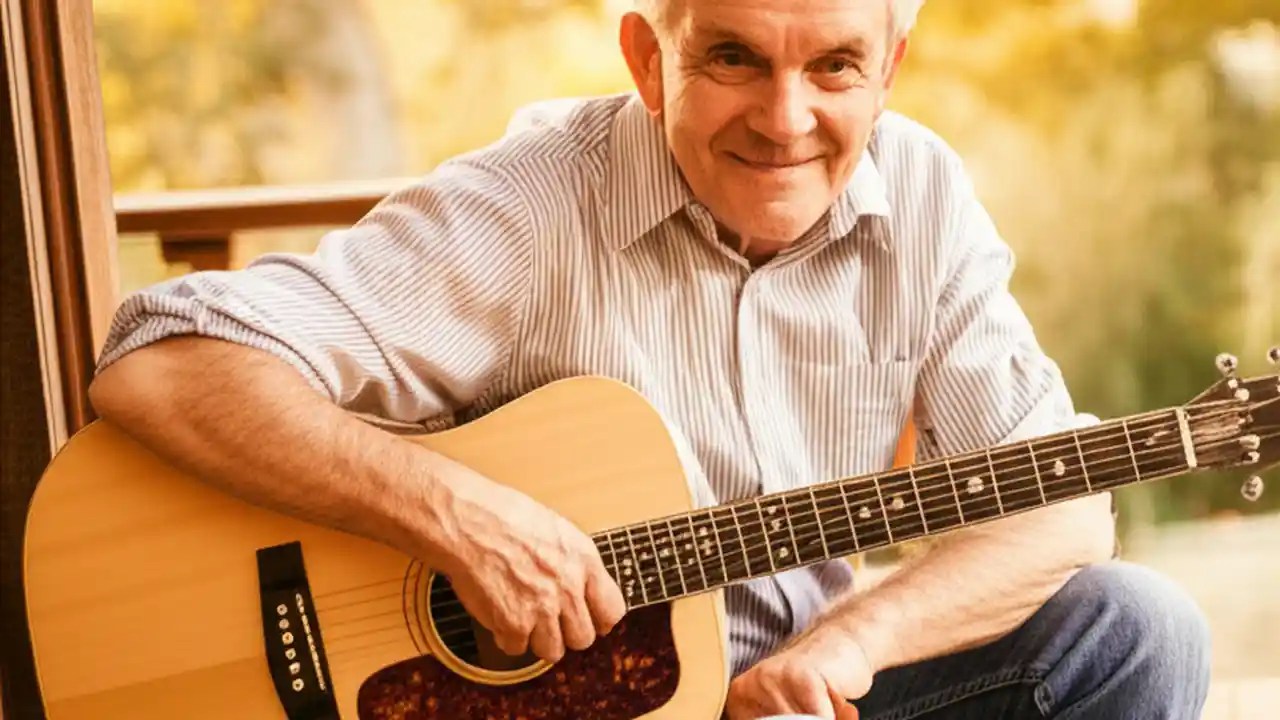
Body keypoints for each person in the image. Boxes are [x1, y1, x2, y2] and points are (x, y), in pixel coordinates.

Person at [87, 0, 1212, 718]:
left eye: (833, 67)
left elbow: (1061, 508)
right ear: (645, 53)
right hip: (552, 709)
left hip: (781, 699)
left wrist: (844, 649)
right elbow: (161, 361)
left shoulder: (921, 197)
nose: (785, 120)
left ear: (890, 65)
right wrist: (448, 515)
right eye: (731, 57)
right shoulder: (532, 203)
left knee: (1134, 630)